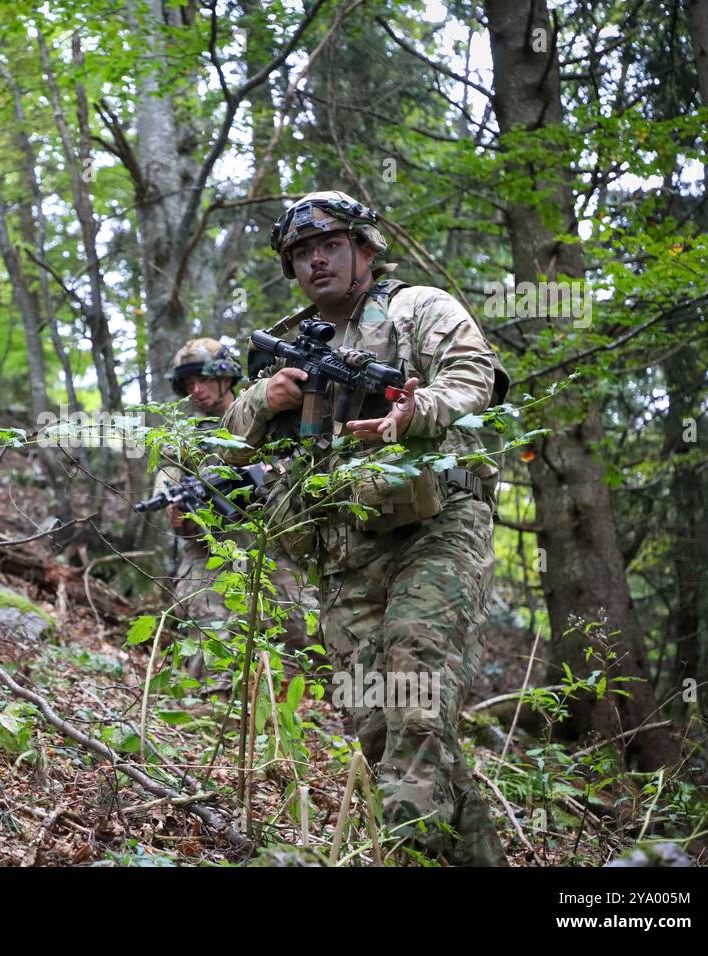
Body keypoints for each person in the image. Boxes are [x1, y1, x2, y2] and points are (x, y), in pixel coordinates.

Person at [220, 190, 509, 866]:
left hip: (436, 525)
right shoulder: (287, 342)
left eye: (330, 246)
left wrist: (414, 413)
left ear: (366, 250)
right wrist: (267, 398)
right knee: (383, 732)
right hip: (344, 551)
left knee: (416, 697)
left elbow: (475, 381)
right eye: (301, 253)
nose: (315, 261)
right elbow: (230, 443)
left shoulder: (418, 309)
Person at [153, 339, 312, 673]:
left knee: (308, 641)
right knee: (209, 645)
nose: (196, 390)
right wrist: (177, 509)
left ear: (226, 378)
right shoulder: (183, 436)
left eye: (204, 379)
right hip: (209, 556)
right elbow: (167, 482)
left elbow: (306, 461)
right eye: (187, 384)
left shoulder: (269, 412)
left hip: (275, 548)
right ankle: (211, 716)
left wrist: (271, 475)